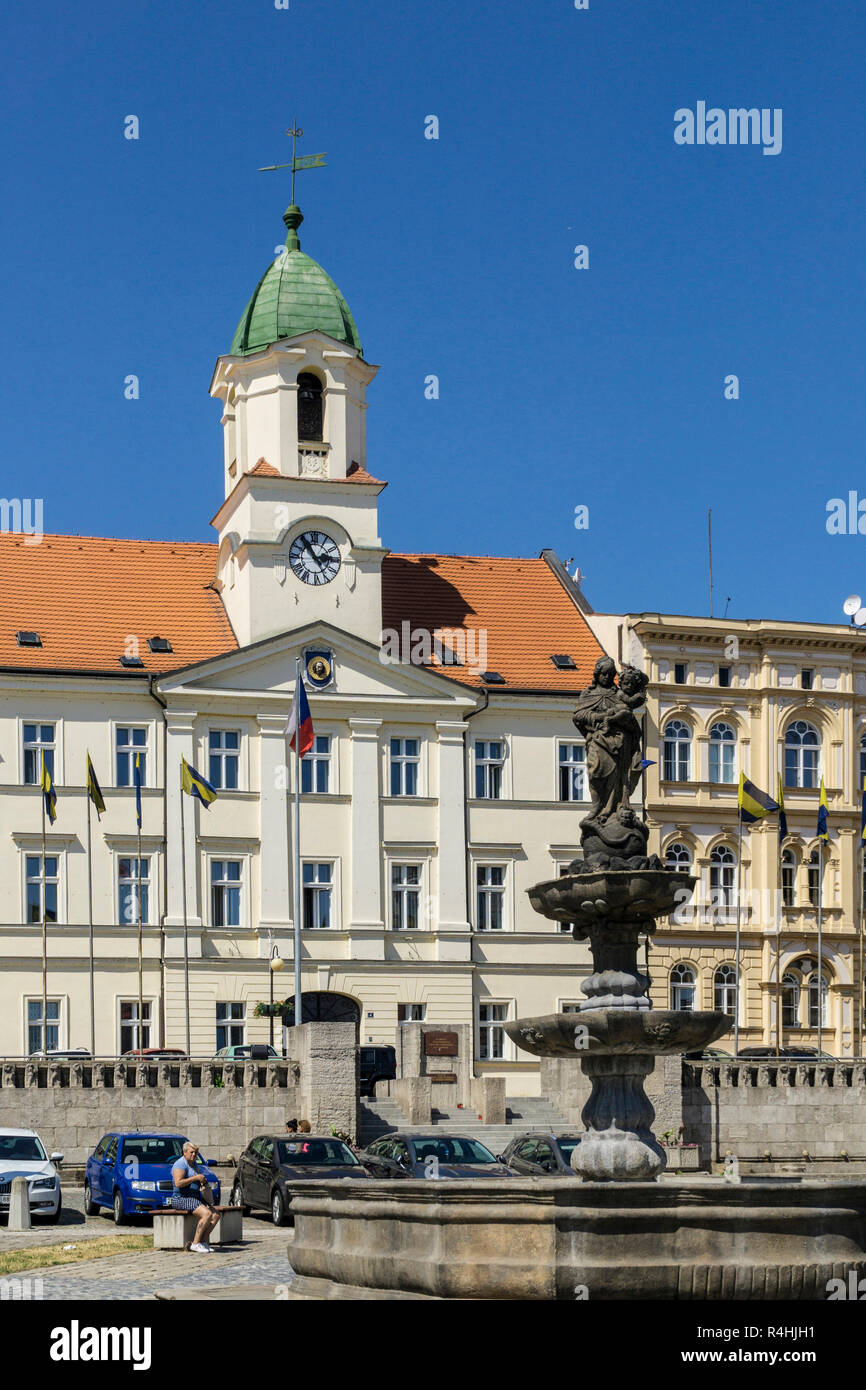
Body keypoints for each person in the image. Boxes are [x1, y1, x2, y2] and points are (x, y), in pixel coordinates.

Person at [171, 1141, 220, 1253]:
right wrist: (195, 1178)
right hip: (181, 1198)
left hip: (195, 1197)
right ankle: (195, 1243)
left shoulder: (194, 1164)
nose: (194, 1155)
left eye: (196, 1153)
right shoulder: (180, 1164)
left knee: (216, 1215)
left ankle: (202, 1242)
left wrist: (202, 1181)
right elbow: (178, 1183)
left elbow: (197, 1180)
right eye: (191, 1152)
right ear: (184, 1152)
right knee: (207, 1214)